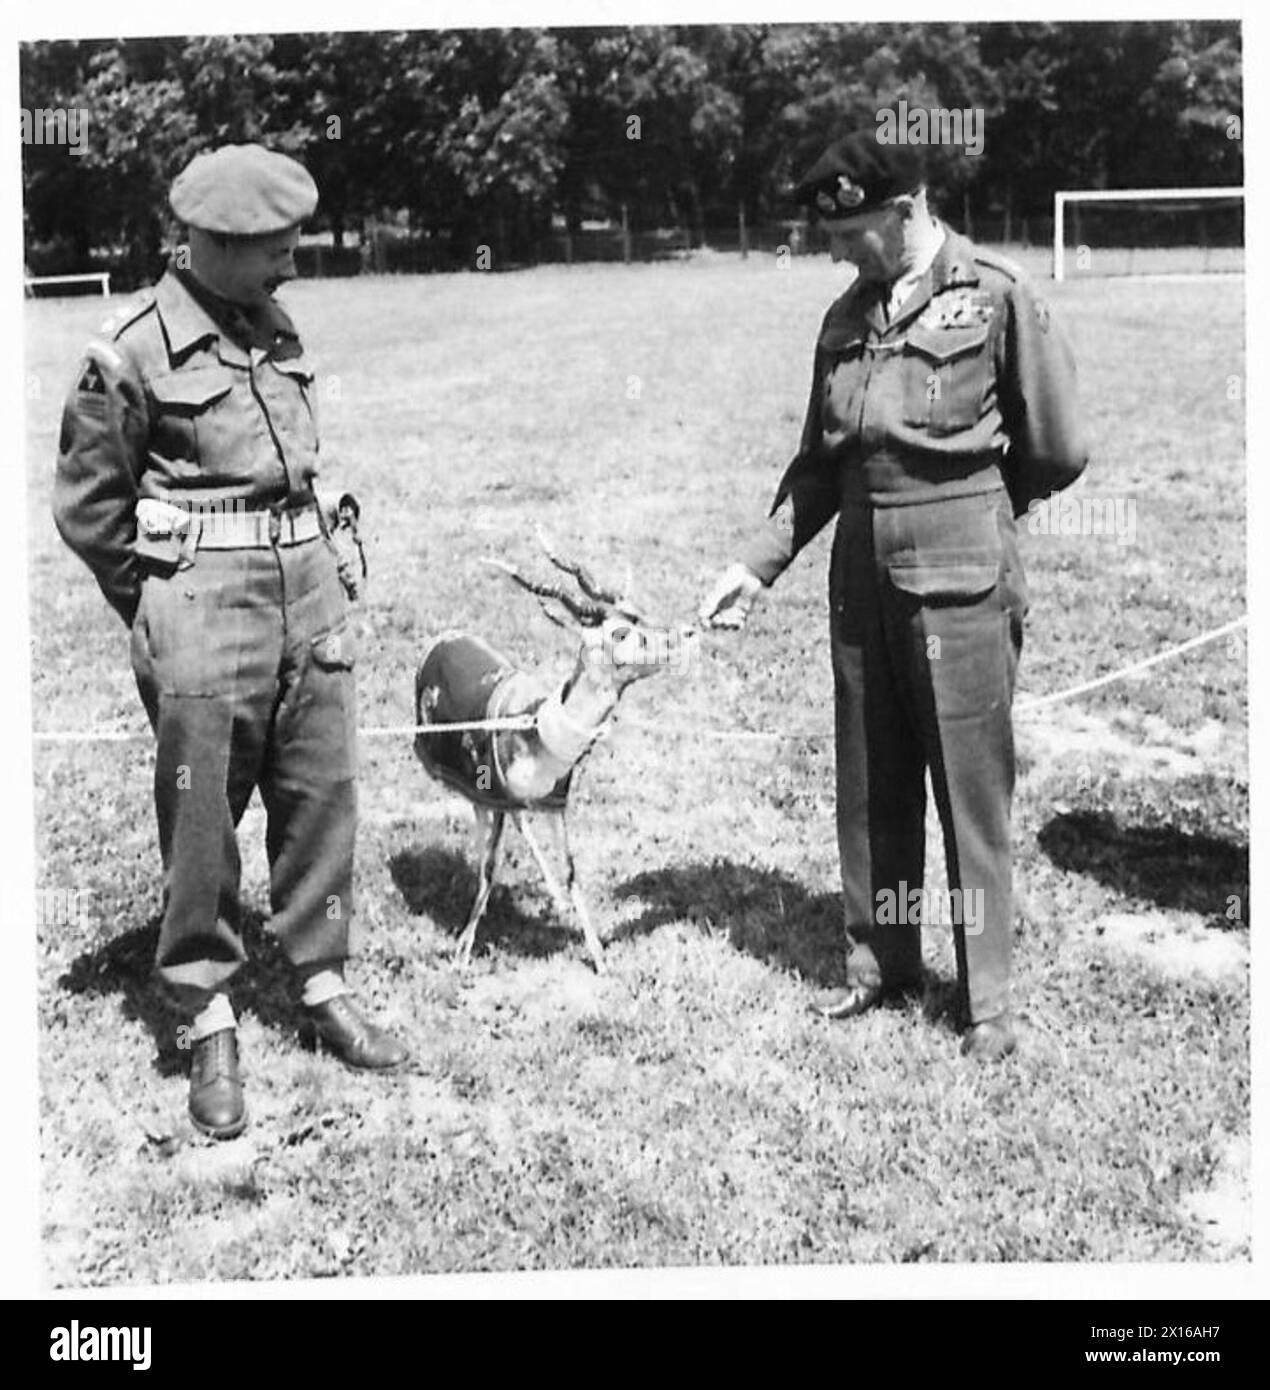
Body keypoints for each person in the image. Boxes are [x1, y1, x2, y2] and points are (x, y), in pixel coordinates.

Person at [699, 132, 1088, 1059]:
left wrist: (982, 512)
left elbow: (1059, 448)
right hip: (860, 576)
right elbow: (819, 467)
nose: (833, 248)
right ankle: (882, 965)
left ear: (905, 210)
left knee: (968, 788)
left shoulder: (995, 294)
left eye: (848, 229)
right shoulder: (843, 320)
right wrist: (754, 564)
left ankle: (987, 1000)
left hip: (959, 571)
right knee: (871, 781)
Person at [53, 144, 408, 1139]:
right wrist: (163, 606)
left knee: (322, 791)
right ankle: (208, 1012)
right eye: (274, 249)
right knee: (201, 816)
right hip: (201, 606)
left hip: (308, 591)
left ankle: (321, 978)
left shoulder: (274, 324)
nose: (291, 263)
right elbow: (88, 509)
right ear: (211, 242)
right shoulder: (125, 350)